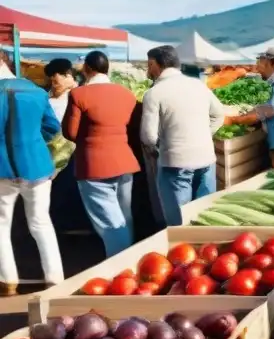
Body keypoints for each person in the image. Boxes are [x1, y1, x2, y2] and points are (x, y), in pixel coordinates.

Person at [63, 50, 140, 257]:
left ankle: (121, 269)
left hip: (94, 165)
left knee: (110, 224)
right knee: (124, 217)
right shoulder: (126, 94)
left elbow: (70, 132)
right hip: (125, 162)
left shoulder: (79, 94)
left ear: (87, 69)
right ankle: (130, 261)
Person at [140, 45, 224, 227]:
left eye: (149, 65)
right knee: (205, 215)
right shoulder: (198, 85)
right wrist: (203, 135)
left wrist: (160, 147)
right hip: (206, 159)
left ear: (155, 64)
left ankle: (185, 251)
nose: (148, 69)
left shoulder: (153, 93)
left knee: (180, 221)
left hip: (175, 163)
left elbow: (147, 136)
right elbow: (219, 115)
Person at [0, 73, 64, 294]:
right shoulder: (37, 91)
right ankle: (55, 278)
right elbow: (53, 127)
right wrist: (34, 141)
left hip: (3, 167)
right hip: (37, 164)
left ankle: (7, 281)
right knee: (41, 223)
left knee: (1, 224)